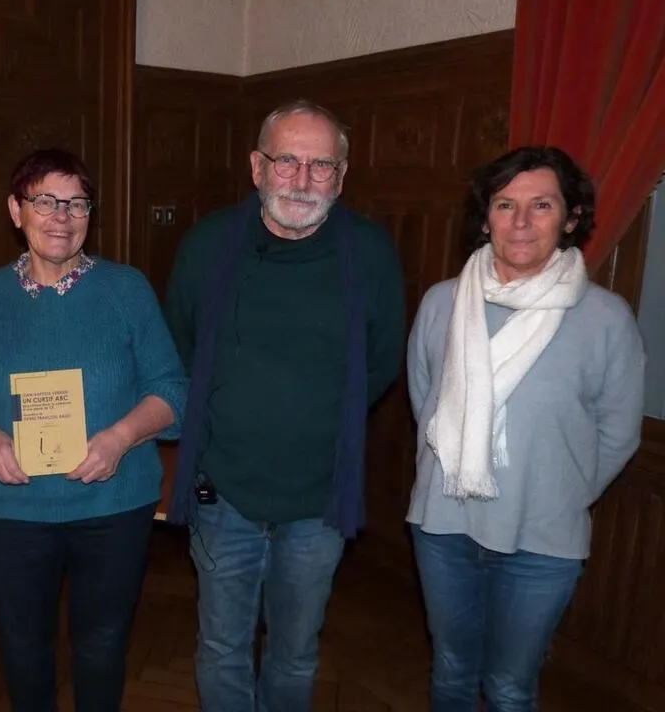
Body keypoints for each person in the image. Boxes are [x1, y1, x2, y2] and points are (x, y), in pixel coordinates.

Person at [162, 99, 406, 712]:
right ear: (256, 167)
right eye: (286, 161)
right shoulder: (208, 244)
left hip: (321, 502)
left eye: (320, 166)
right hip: (224, 496)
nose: (301, 180)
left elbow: (381, 362)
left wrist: (313, 423)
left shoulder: (371, 254)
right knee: (222, 648)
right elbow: (181, 349)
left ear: (342, 177)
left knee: (296, 654)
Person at [0, 147, 187, 712]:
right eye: (44, 200)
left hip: (113, 505)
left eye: (76, 203)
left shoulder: (127, 290)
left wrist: (120, 438)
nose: (61, 216)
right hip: (13, 509)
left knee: (102, 645)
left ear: (90, 214)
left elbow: (172, 392)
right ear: (15, 211)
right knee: (23, 647)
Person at [406, 146, 645, 711]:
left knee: (512, 687)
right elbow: (426, 401)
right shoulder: (442, 303)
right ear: (484, 216)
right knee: (451, 670)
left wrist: (557, 497)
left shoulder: (605, 318)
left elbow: (619, 431)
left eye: (540, 205)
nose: (519, 222)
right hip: (443, 525)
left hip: (542, 540)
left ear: (570, 217)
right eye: (504, 204)